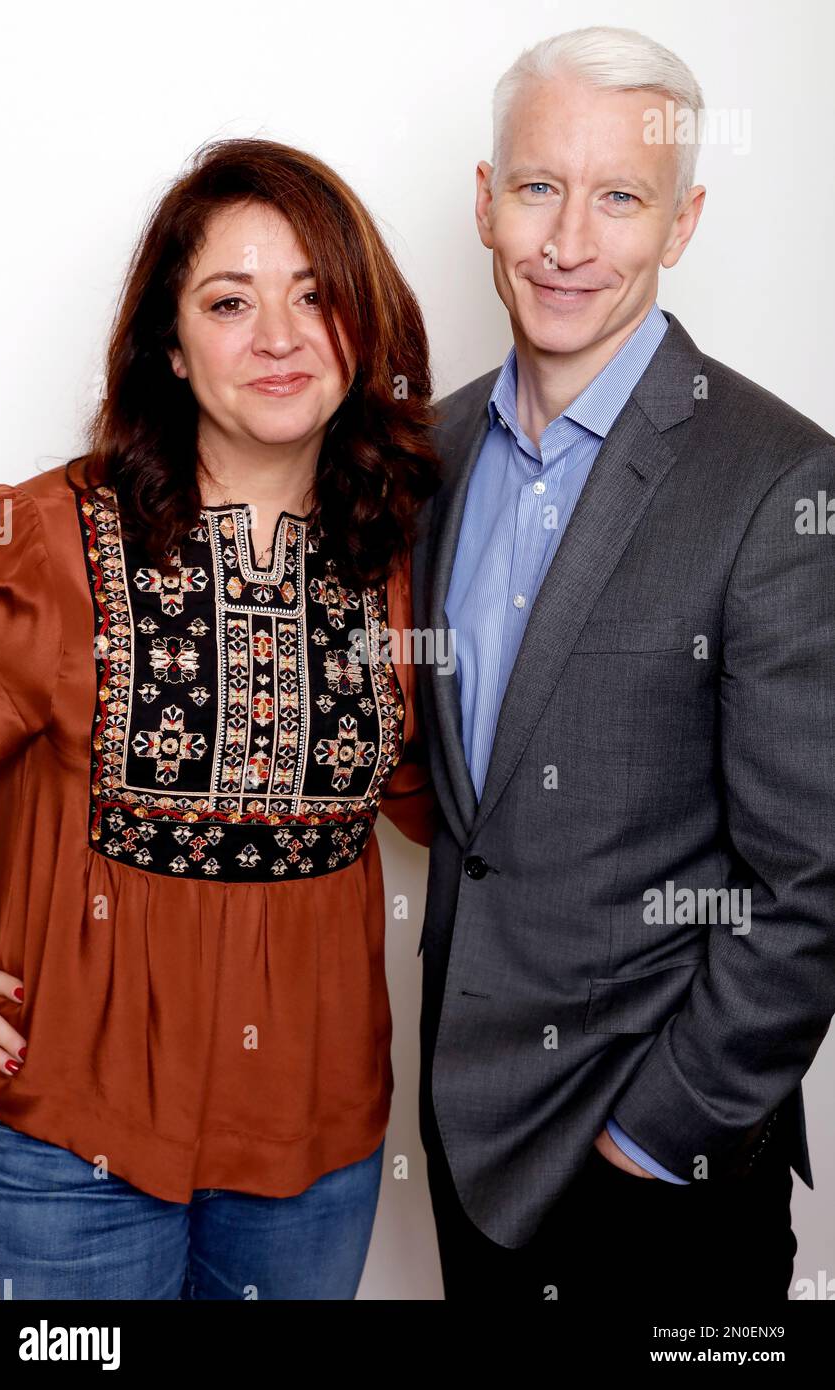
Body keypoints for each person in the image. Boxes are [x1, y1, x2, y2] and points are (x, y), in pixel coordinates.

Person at [0, 136, 438, 1300]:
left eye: (314, 296)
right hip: (58, 1150)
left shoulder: (407, 564)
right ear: (171, 350)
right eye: (229, 302)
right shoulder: (37, 544)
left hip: (314, 1157)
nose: (279, 337)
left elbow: (462, 817)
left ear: (360, 329)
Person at [413, 25, 835, 1303]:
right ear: (484, 202)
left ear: (682, 219)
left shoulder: (776, 481)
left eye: (619, 198)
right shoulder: (422, 455)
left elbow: (811, 877)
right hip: (464, 1137)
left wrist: (658, 1133)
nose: (567, 241)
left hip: (657, 1169)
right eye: (538, 187)